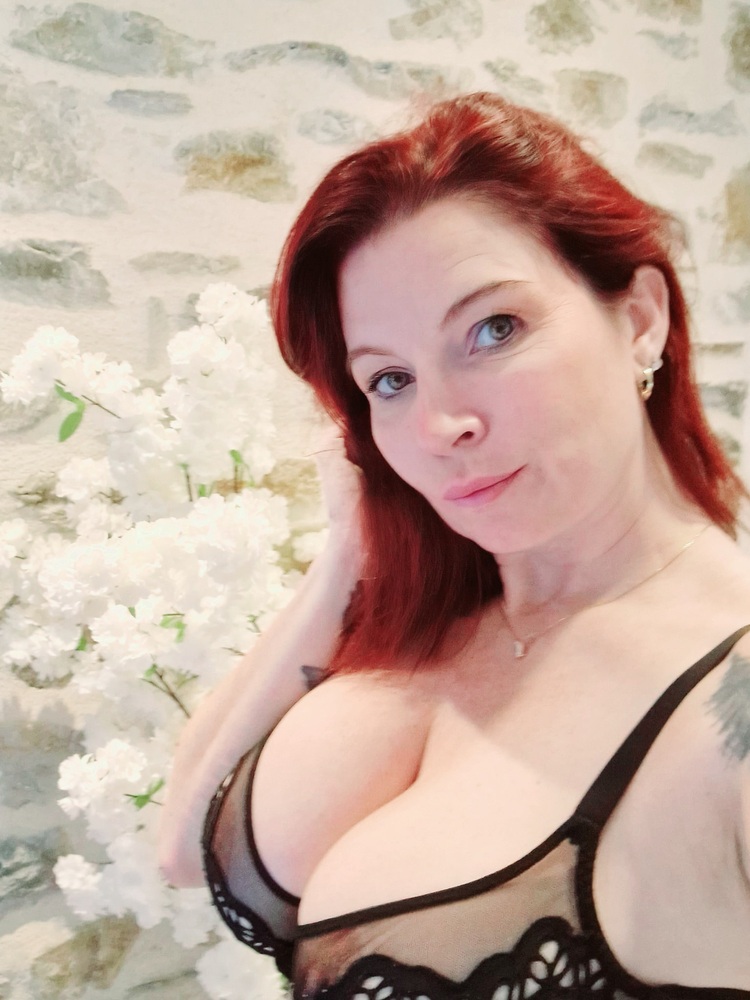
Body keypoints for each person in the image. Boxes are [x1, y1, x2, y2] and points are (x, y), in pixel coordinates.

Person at [158, 93, 750, 997]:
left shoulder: (731, 693)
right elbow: (180, 850)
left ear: (640, 319)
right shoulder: (438, 628)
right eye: (389, 380)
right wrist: (345, 560)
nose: (439, 425)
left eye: (493, 330)